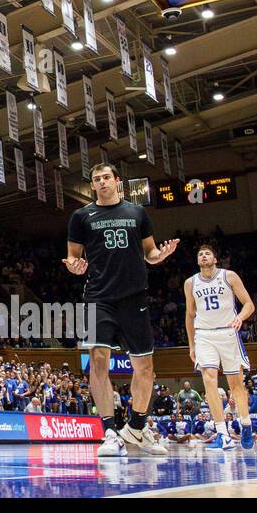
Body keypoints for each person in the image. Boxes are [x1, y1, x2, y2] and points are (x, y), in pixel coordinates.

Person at [65, 162, 178, 457]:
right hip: (97, 298)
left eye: (106, 177)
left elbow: (150, 252)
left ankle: (137, 428)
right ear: (92, 186)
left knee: (145, 367)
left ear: (117, 181)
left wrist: (160, 255)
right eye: (96, 179)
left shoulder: (137, 212)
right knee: (98, 362)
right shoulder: (81, 216)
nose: (101, 182)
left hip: (134, 296)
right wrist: (75, 267)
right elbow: (73, 257)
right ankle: (110, 433)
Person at [185, 241, 255, 451]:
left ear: (215, 259)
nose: (203, 256)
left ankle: (246, 423)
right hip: (204, 335)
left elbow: (249, 304)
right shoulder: (190, 283)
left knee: (236, 385)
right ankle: (222, 434)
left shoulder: (229, 276)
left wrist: (240, 318)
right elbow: (189, 315)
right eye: (200, 254)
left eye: (207, 254)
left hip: (228, 333)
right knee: (209, 381)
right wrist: (191, 345)